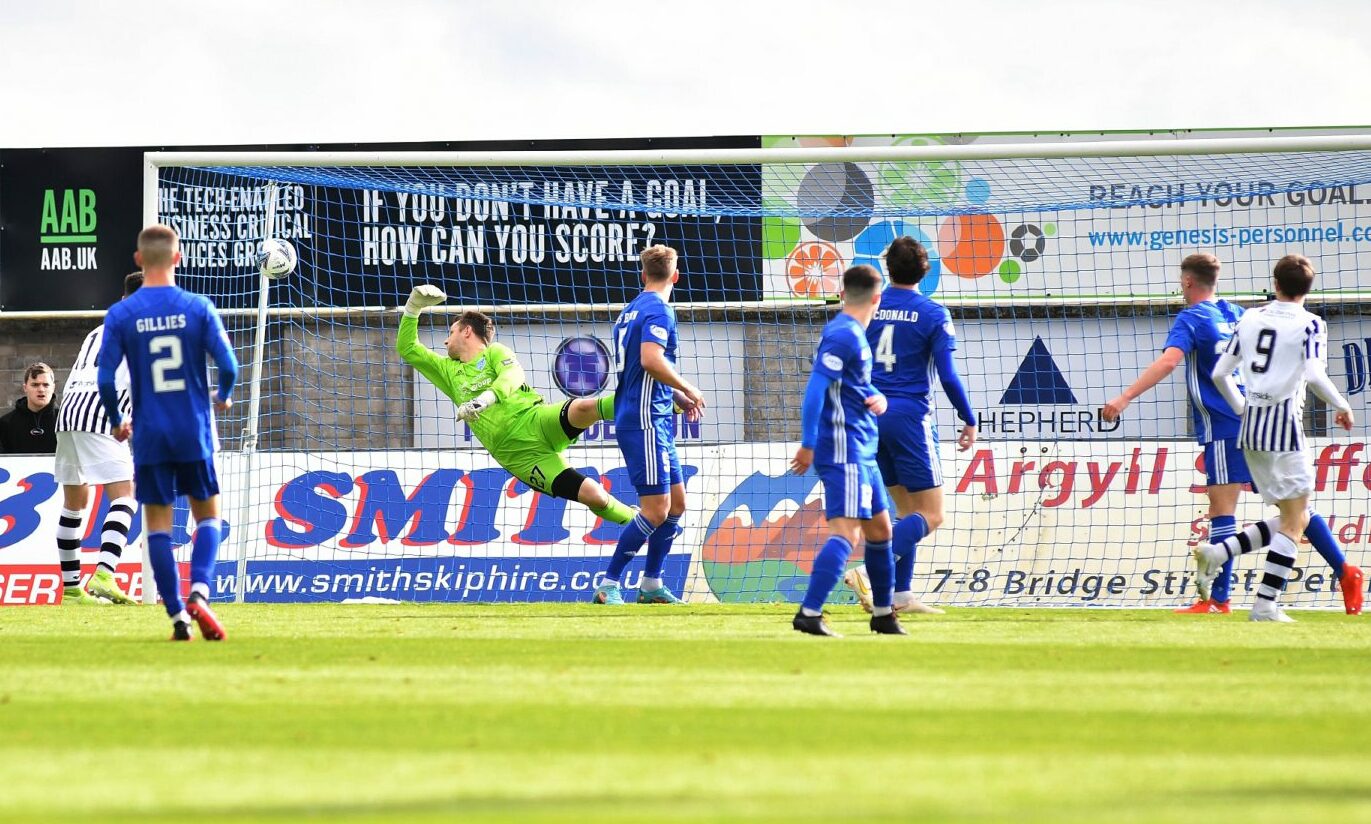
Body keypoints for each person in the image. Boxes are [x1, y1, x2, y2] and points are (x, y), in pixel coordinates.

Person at [1103, 254, 1361, 615]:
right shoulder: (1236, 312)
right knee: (1295, 509)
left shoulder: (1194, 317)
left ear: (1188, 282)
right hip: (1270, 421)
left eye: (1181, 280)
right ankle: (1345, 570)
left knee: (1223, 511)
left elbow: (1169, 361)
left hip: (1229, 423)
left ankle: (1217, 599)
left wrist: (1124, 396)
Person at [397, 284, 640, 532]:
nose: (446, 340)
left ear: (467, 331)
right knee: (594, 495)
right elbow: (408, 348)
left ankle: (652, 403)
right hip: (520, 457)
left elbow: (513, 375)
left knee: (583, 408)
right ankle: (641, 522)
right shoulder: (447, 370)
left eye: (451, 332)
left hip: (535, 420)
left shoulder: (494, 352)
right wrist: (413, 307)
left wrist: (486, 399)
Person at [1194, 254, 1356, 622]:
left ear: (1275, 283)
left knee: (1291, 515)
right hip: (1284, 426)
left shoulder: (1250, 317)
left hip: (1250, 428)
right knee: (1296, 519)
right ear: (1308, 289)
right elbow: (1314, 374)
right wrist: (1342, 405)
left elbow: (1221, 374)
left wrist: (1240, 409)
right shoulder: (1311, 324)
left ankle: (1217, 555)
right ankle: (1266, 604)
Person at [98, 225, 238, 641]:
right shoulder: (197, 307)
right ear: (178, 259)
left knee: (157, 524)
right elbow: (229, 365)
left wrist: (115, 419)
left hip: (151, 435)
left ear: (139, 260)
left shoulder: (122, 314)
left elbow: (107, 378)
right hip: (194, 430)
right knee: (208, 515)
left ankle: (177, 615)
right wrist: (223, 395)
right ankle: (200, 591)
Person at [843, 237, 978, 616]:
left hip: (870, 416)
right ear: (926, 269)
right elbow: (948, 377)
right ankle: (869, 572)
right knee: (932, 514)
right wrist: (969, 418)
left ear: (888, 269)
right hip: (909, 419)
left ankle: (900, 595)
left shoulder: (869, 307)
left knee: (906, 510)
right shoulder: (933, 314)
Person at [791, 264, 900, 637]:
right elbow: (815, 392)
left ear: (842, 293)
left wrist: (875, 396)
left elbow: (851, 387)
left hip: (862, 450)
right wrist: (807, 444)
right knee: (846, 534)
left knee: (881, 529)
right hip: (844, 449)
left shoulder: (850, 334)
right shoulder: (843, 335)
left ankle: (884, 614)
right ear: (877, 299)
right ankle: (809, 612)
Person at [595, 244, 706, 606]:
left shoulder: (629, 311)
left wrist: (676, 398)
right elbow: (650, 360)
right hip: (643, 421)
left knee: (676, 504)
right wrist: (688, 386)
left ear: (643, 274)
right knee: (656, 509)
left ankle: (652, 584)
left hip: (652, 415)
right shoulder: (659, 309)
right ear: (676, 275)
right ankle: (609, 583)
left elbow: (635, 372)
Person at [53, 272, 144, 606]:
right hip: (100, 414)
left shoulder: (98, 329)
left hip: (68, 413)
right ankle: (105, 573)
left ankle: (73, 590)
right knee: (125, 495)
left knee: (75, 503)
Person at [0, 363, 58, 453]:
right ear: (25, 387)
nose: (41, 389)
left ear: (53, 387)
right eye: (35, 385)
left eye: (46, 385)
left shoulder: (65, 421)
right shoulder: (6, 423)